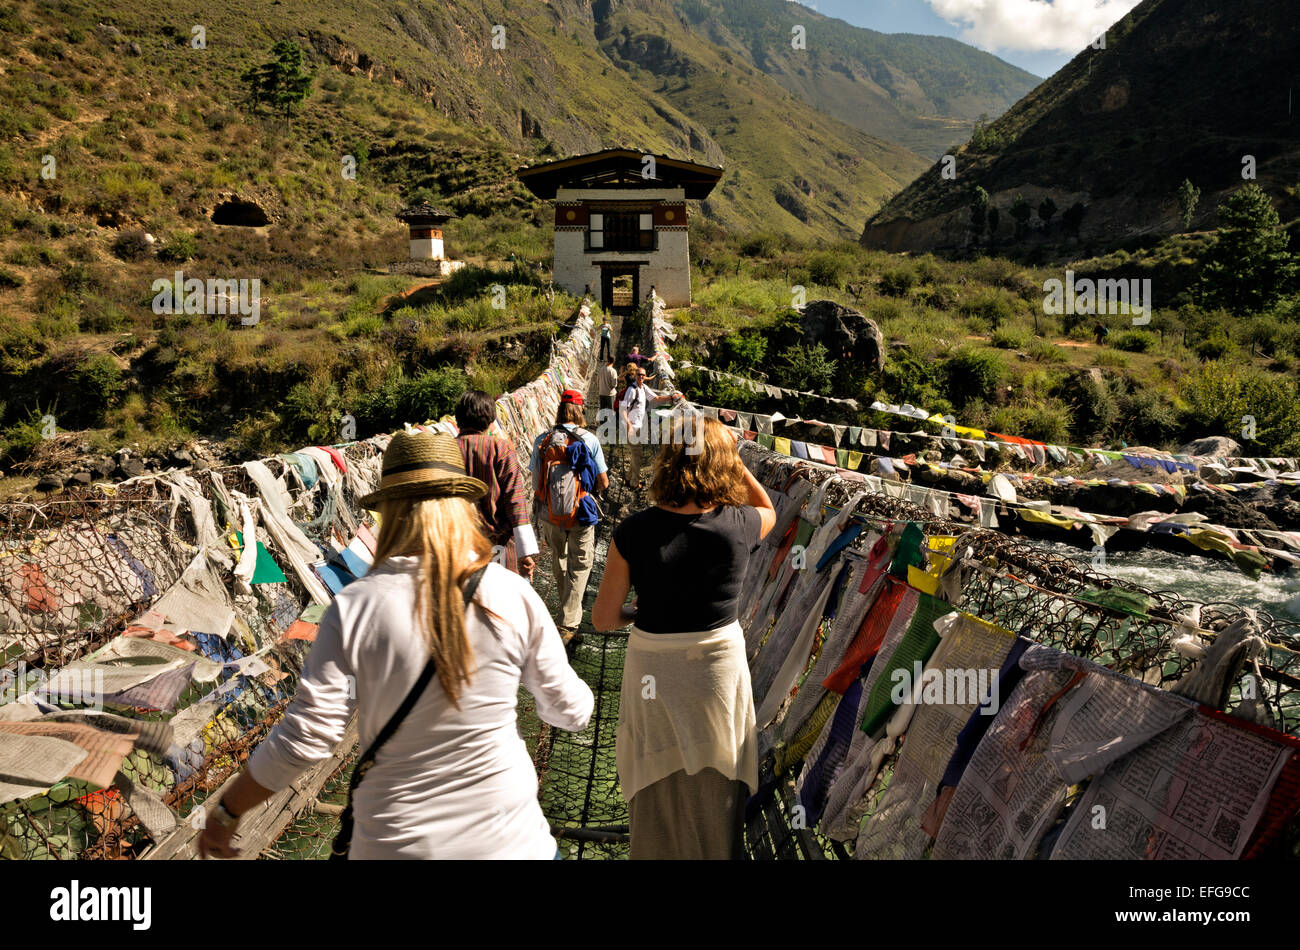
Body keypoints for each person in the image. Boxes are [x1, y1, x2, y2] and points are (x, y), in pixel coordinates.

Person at [196, 430, 593, 860]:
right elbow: (570, 711)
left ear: (388, 512)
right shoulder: (510, 594)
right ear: (463, 507)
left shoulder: (353, 607)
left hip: (395, 844)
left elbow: (307, 738)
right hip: (514, 844)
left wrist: (226, 812)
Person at [592, 416, 776, 859]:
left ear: (667, 461)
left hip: (653, 666)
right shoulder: (738, 525)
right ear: (723, 465)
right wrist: (736, 461)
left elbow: (602, 618)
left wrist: (641, 610)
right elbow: (769, 507)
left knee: (656, 773)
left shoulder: (632, 532)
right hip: (717, 670)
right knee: (717, 773)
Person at [530, 390, 610, 646]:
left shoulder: (542, 440)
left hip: (549, 513)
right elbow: (604, 482)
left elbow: (534, 482)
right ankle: (569, 622)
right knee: (581, 564)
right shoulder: (589, 440)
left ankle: (566, 610)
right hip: (581, 513)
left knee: (559, 557)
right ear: (579, 411)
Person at [454, 389, 538, 580]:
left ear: (459, 417)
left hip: (459, 546)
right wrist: (525, 554)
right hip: (498, 546)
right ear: (490, 418)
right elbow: (515, 500)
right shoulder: (500, 448)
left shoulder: (447, 449)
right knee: (500, 601)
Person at [619, 365, 681, 491]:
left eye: (643, 375)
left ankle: (630, 478)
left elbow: (656, 398)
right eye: (639, 375)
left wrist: (671, 398)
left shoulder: (643, 388)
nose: (641, 377)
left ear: (645, 377)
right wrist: (629, 426)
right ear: (635, 376)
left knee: (636, 454)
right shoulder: (632, 390)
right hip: (631, 427)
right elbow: (622, 409)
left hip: (638, 426)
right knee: (637, 455)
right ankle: (634, 483)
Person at [598, 357, 619, 424]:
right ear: (614, 362)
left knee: (602, 409)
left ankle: (602, 424)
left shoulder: (601, 369)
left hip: (602, 392)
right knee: (611, 410)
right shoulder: (613, 371)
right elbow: (614, 384)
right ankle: (611, 425)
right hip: (610, 394)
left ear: (607, 360)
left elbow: (597, 380)